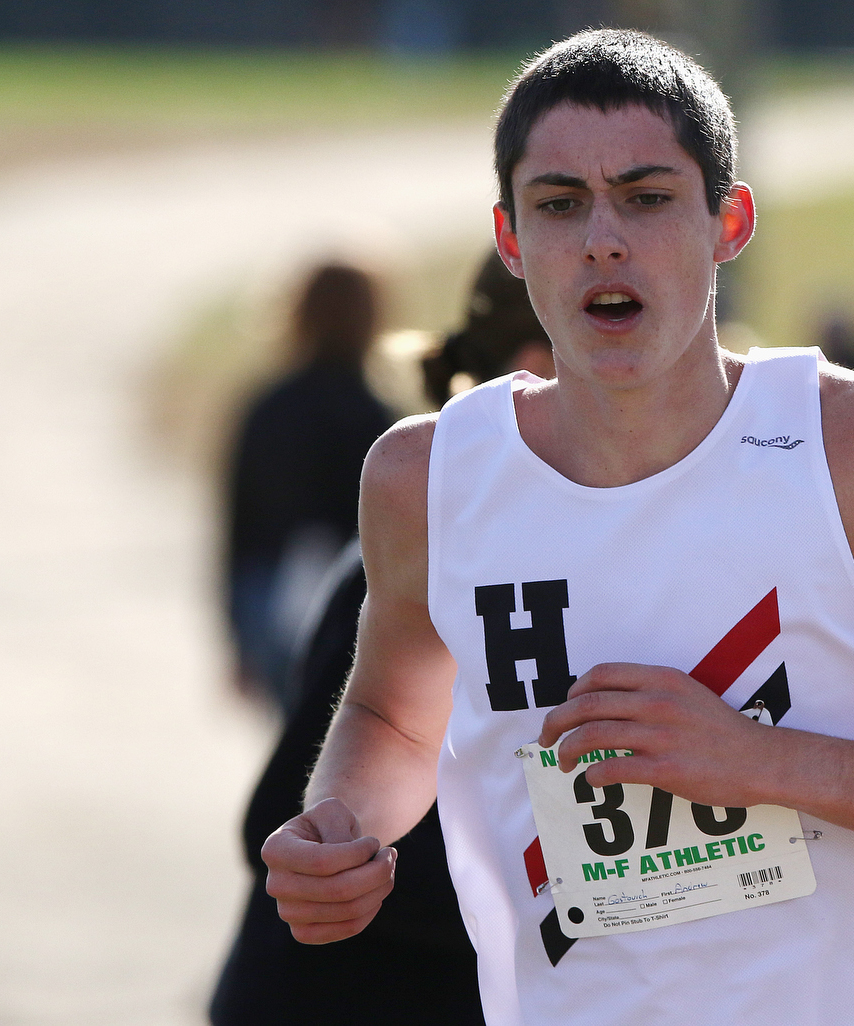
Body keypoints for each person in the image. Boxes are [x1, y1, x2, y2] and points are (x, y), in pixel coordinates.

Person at [262, 30, 854, 1026]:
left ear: (728, 221)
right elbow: (390, 718)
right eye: (560, 205)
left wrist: (765, 763)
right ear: (511, 241)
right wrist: (339, 829)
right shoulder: (426, 477)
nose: (602, 238)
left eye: (645, 198)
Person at [210, 251, 555, 1026]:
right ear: (534, 368)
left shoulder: (274, 405)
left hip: (268, 594)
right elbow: (277, 816)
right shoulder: (429, 537)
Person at [223, 262, 395, 711]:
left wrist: (234, 637)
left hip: (266, 593)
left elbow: (237, 522)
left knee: (290, 737)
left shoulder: (267, 408)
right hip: (350, 603)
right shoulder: (377, 417)